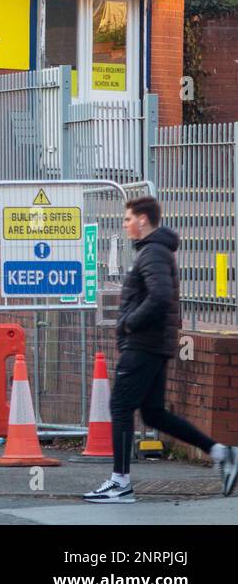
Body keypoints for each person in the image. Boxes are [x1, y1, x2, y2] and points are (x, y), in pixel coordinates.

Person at [83, 196, 238, 503]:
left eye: (128, 218)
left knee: (121, 407)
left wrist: (129, 323)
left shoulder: (152, 251)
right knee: (153, 414)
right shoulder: (154, 251)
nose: (125, 224)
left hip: (143, 344)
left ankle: (120, 483)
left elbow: (160, 296)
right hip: (154, 344)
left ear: (143, 219)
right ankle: (222, 453)